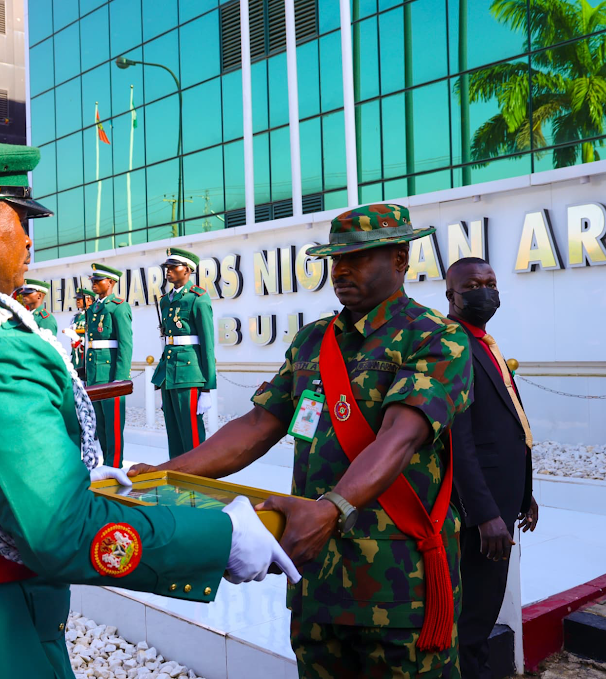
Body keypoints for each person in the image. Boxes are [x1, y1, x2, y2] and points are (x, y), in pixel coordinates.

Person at [0, 138, 298, 678]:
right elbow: (60, 532)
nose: (30, 243)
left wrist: (63, 469)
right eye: (21, 220)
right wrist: (224, 538)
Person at [131, 204, 474, 679]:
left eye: (357, 256)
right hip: (314, 570)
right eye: (336, 259)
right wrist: (170, 473)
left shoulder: (436, 337)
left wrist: (331, 508)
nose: (342, 269)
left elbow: (401, 436)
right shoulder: (314, 340)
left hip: (397, 579)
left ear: (400, 259)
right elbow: (257, 425)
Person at [446, 257, 538, 679]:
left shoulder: (483, 342)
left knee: (482, 611)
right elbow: (458, 440)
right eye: (473, 285)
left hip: (502, 501)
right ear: (451, 295)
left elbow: (510, 423)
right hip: (478, 514)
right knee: (473, 617)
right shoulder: (454, 346)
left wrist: (524, 493)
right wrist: (485, 514)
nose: (485, 292)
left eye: (491, 283)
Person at [152, 247, 216, 458]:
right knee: (174, 432)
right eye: (167, 267)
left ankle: (198, 477)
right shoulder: (165, 300)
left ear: (187, 270)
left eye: (173, 266)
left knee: (191, 434)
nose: (168, 270)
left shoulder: (198, 298)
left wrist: (207, 388)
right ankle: (177, 478)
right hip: (169, 373)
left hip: (189, 373)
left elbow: (207, 344)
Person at [86, 263, 132, 468]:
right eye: (93, 281)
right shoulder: (93, 308)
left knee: (113, 423)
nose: (94, 284)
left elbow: (125, 342)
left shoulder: (119, 306)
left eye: (98, 281)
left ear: (111, 283)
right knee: (100, 423)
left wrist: (120, 378)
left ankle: (115, 465)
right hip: (95, 372)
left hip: (111, 372)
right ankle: (106, 463)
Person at [61, 287, 94, 380]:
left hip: (86, 354)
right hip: (76, 355)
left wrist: (79, 339)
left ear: (89, 300)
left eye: (80, 299)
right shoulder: (76, 317)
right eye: (77, 299)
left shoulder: (91, 315)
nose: (77, 301)